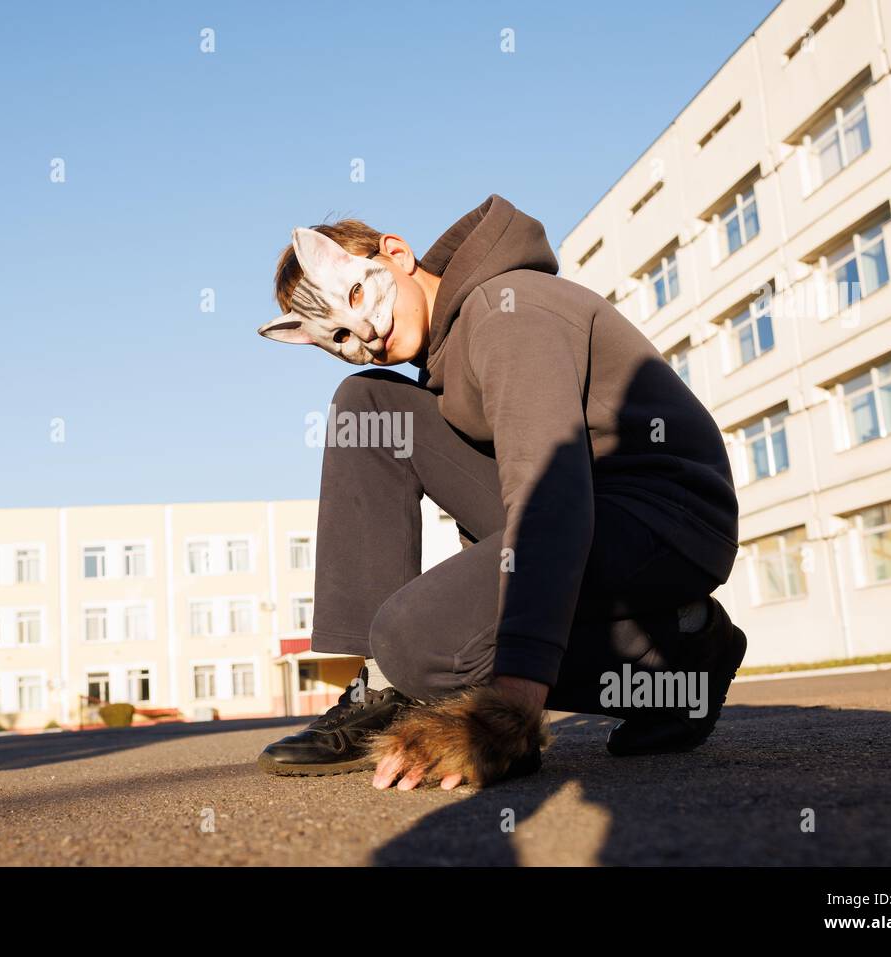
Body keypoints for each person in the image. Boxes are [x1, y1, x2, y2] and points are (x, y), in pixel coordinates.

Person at [254, 194, 745, 791]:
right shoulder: (443, 358)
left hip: (662, 514)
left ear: (397, 253)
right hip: (588, 507)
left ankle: (682, 660)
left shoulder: (505, 309)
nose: (364, 334)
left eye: (357, 295)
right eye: (337, 336)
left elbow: (548, 492)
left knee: (418, 639)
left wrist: (512, 703)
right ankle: (379, 686)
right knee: (369, 404)